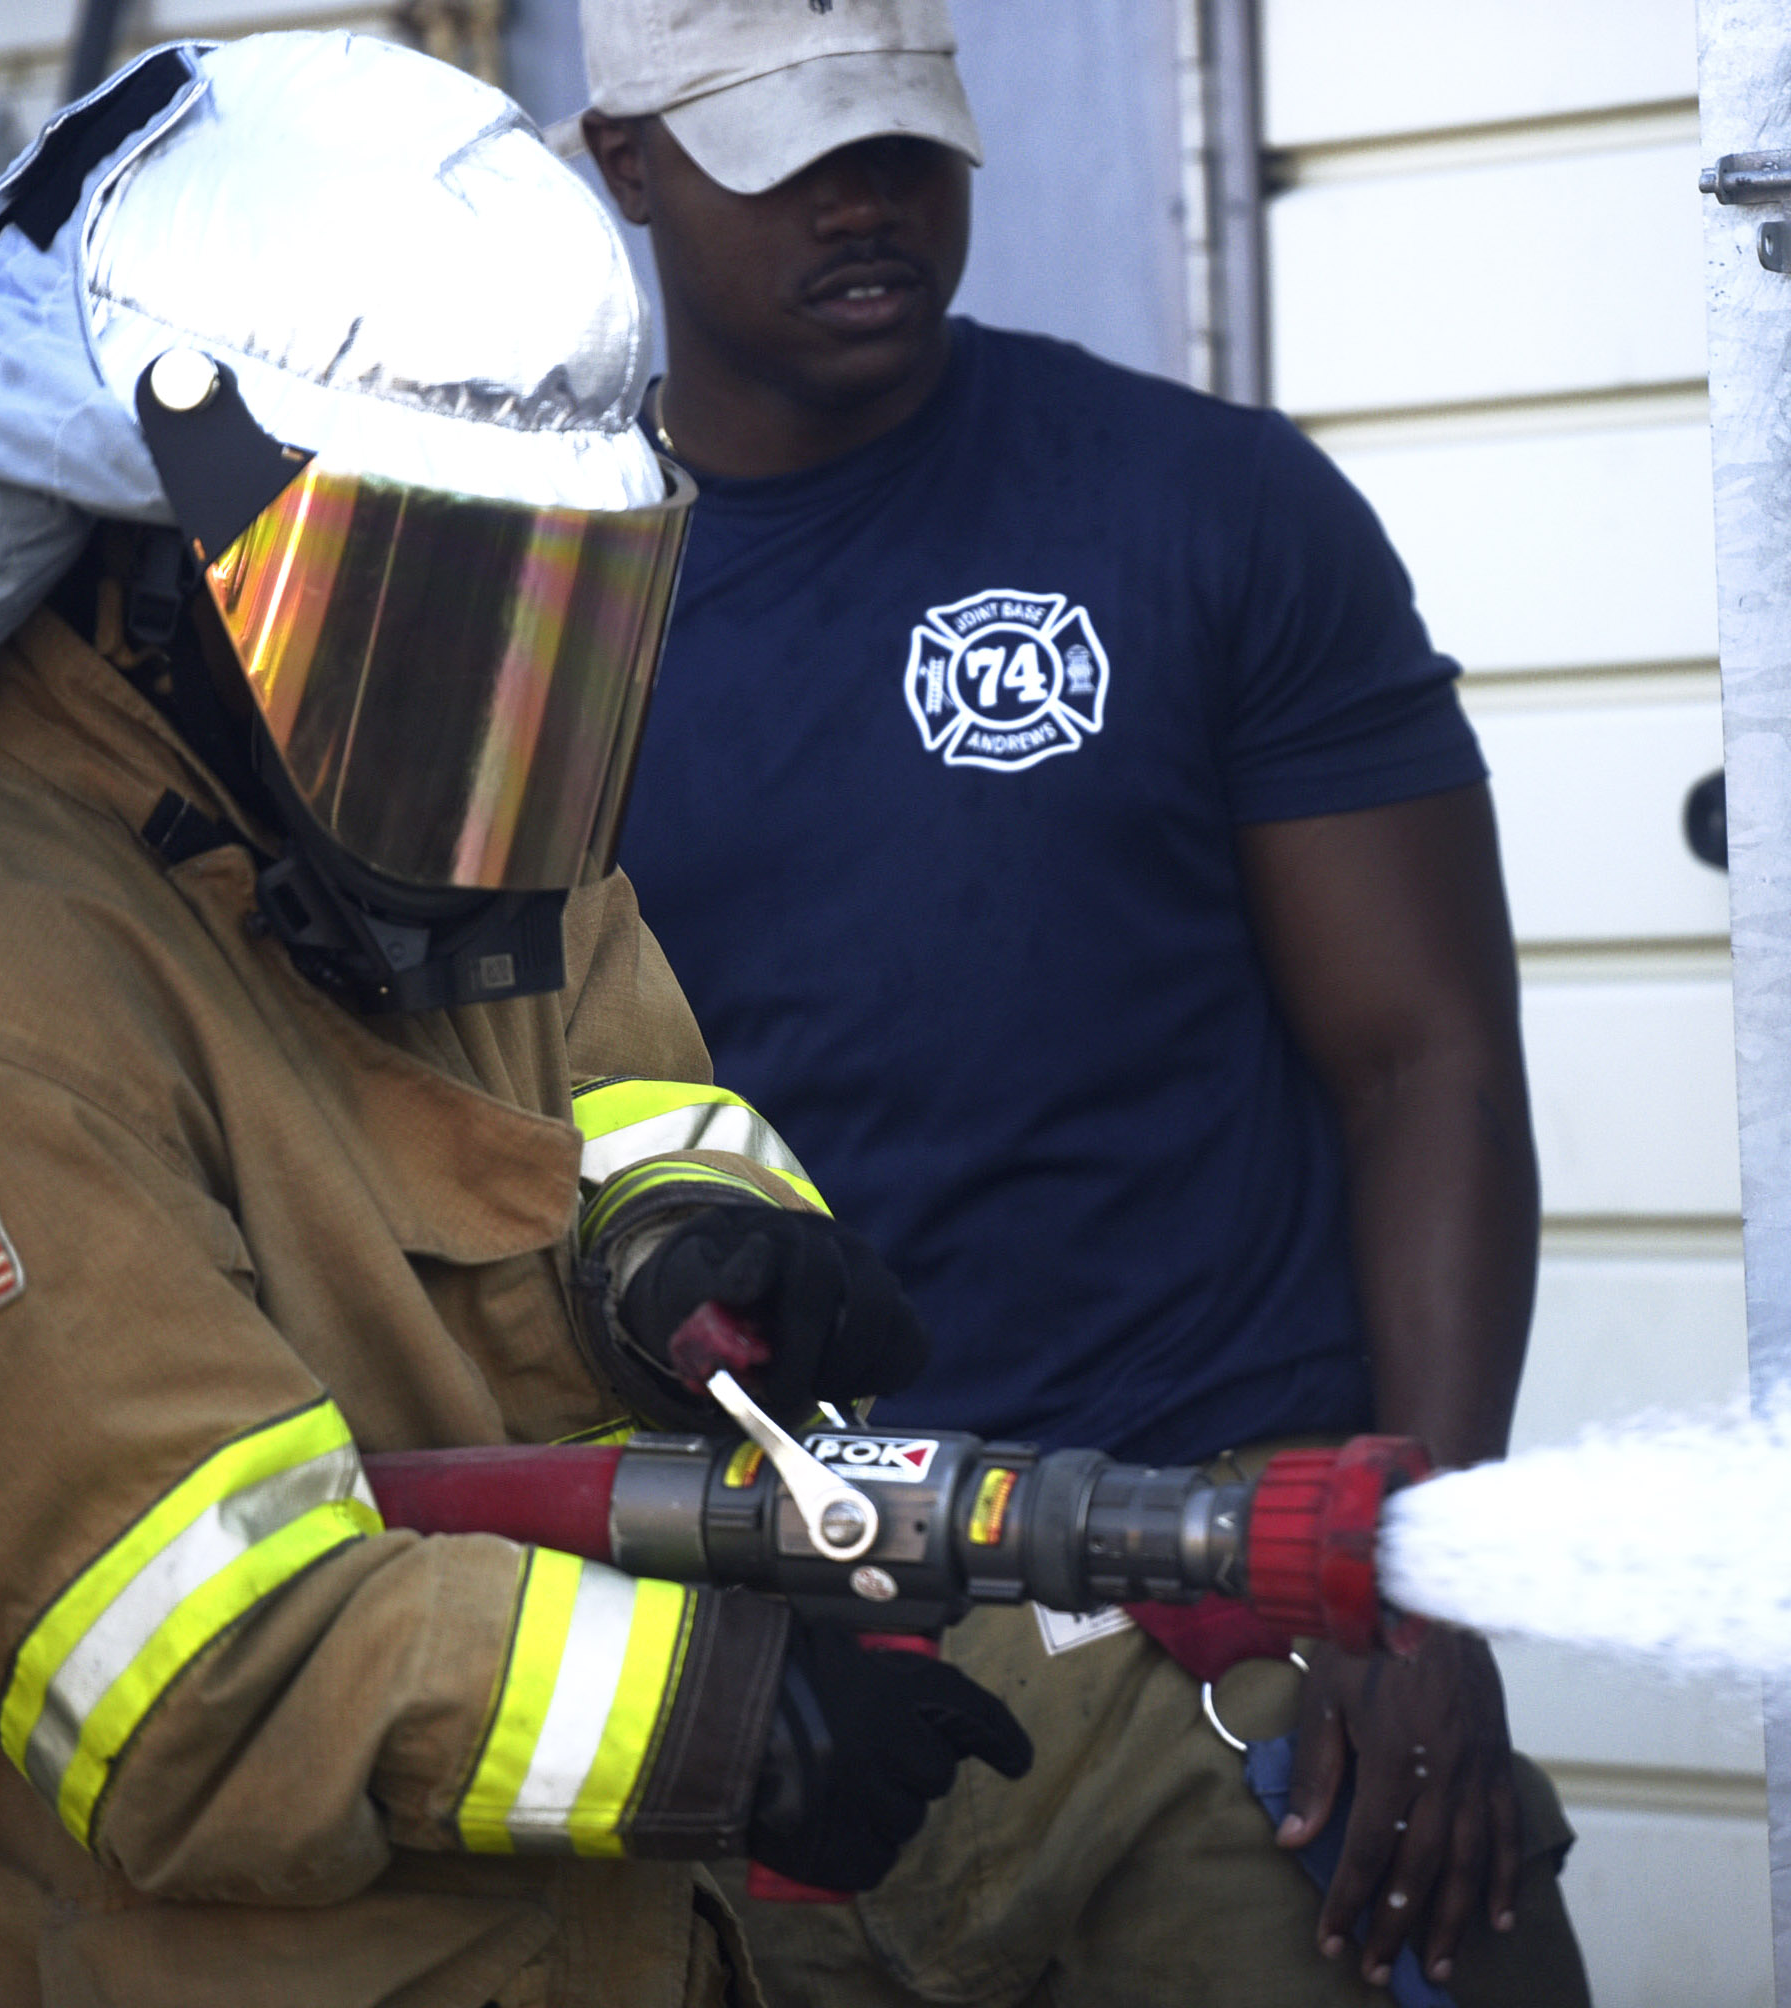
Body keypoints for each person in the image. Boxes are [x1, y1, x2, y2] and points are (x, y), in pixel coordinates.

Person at [0, 33, 1028, 2007]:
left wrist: (683, 1236)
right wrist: (712, 1718)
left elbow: (626, 1079)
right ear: (180, 570)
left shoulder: (437, 814)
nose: (487, 698)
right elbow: (194, 1669)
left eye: (538, 613)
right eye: (419, 615)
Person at [567, 3, 1590, 2000]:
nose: (864, 197)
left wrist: (1423, 1576)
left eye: (902, 138)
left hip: (1220, 1639)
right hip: (765, 1679)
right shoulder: (527, 604)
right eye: (787, 152)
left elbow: (1427, 1063)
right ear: (626, 167)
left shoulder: (1205, 509)